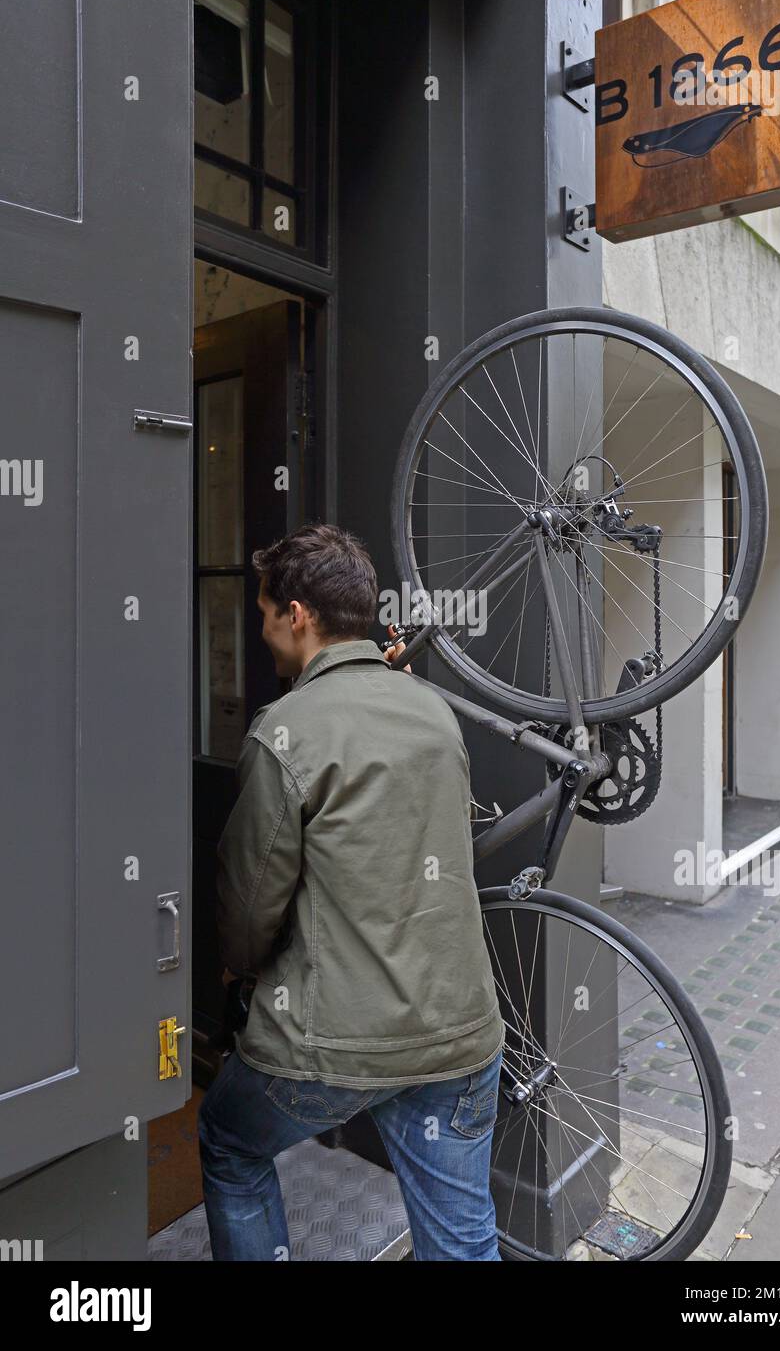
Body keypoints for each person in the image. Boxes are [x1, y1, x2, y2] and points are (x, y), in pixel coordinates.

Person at [197, 522, 506, 1261]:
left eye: (268, 613)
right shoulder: (434, 712)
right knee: (462, 1240)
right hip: (460, 1034)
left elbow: (249, 908)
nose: (266, 631)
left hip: (330, 1048)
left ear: (296, 616)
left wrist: (234, 974)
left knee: (229, 1145)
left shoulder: (285, 730)